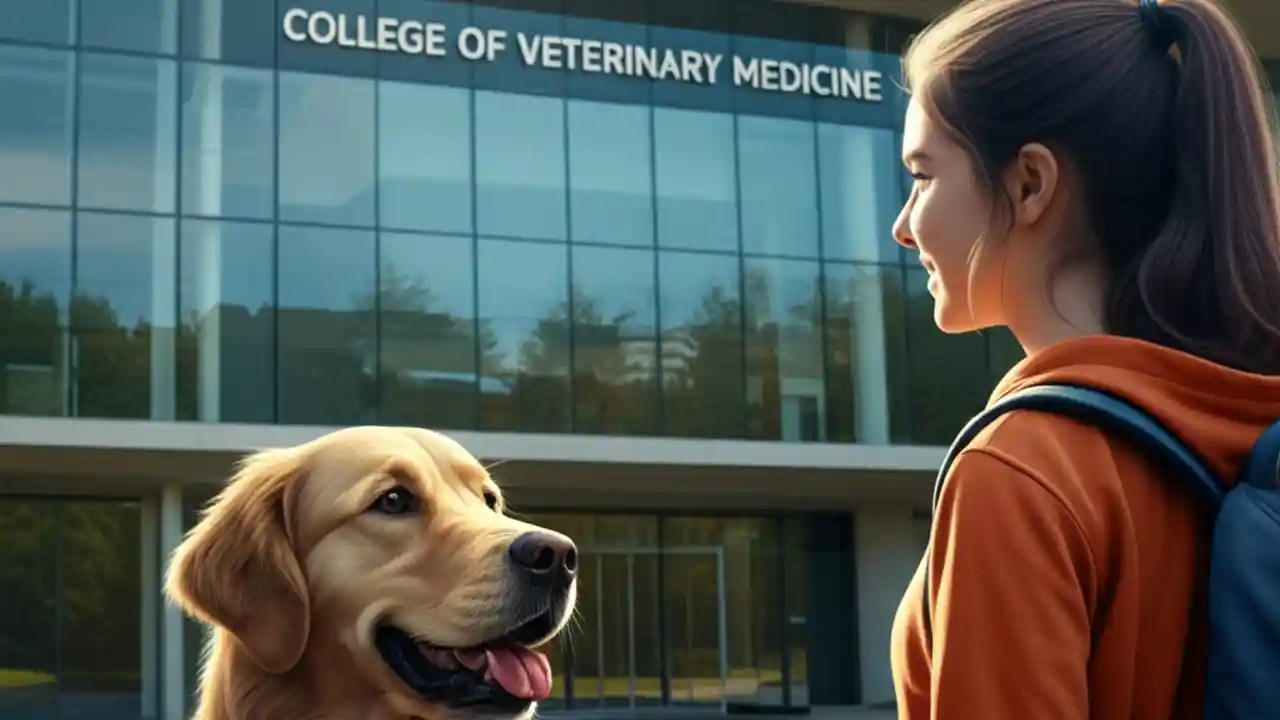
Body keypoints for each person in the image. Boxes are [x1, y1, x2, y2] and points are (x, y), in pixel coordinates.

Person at [888, 0, 1280, 718]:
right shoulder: (1248, 426)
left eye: (922, 176)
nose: (903, 228)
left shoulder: (1023, 472)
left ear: (1031, 183)